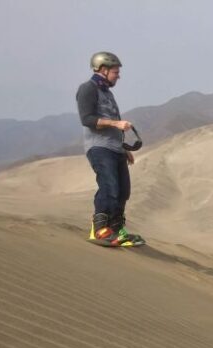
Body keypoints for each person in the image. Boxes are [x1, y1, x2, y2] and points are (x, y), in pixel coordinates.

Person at [76, 51, 142, 246]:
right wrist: (115, 124)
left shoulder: (107, 93)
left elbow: (113, 123)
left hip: (115, 148)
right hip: (99, 148)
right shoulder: (87, 89)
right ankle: (100, 230)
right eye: (115, 72)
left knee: (123, 191)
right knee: (109, 187)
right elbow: (87, 119)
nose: (118, 75)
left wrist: (124, 148)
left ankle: (116, 229)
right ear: (103, 70)